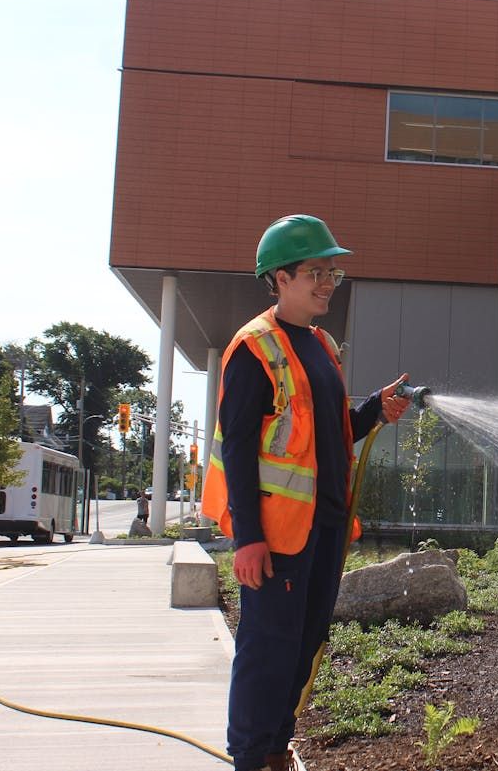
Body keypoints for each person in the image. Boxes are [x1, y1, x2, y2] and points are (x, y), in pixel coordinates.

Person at [201, 214, 411, 771]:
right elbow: (239, 452)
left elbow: (326, 431)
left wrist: (373, 411)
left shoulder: (318, 345)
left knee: (302, 643)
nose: (327, 283)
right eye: (316, 271)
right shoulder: (252, 350)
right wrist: (247, 539)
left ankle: (275, 748)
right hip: (274, 536)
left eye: (333, 273)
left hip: (324, 527)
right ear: (280, 277)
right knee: (267, 650)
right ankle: (250, 757)